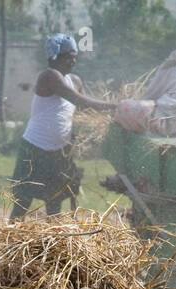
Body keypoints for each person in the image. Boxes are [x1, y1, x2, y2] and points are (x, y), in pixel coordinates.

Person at [10, 34, 115, 220]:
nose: (73, 61)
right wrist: (114, 107)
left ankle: (55, 245)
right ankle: (9, 242)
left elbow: (81, 112)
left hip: (58, 152)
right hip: (34, 149)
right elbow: (79, 100)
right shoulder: (49, 76)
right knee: (22, 202)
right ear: (55, 57)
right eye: (69, 57)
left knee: (55, 201)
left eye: (75, 57)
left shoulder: (75, 80)